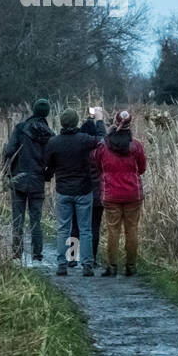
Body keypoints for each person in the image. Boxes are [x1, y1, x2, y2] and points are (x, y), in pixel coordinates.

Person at [43, 107, 106, 276]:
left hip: (63, 190)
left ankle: (62, 264)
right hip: (83, 190)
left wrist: (48, 175)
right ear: (76, 122)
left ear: (62, 123)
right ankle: (87, 265)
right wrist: (99, 120)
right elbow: (102, 140)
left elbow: (47, 164)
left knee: (63, 228)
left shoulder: (54, 142)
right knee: (86, 229)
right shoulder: (84, 140)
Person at [93, 109, 147, 276]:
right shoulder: (136, 145)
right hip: (132, 193)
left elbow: (97, 165)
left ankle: (112, 266)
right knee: (132, 230)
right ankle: (130, 267)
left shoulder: (103, 145)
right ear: (130, 125)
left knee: (113, 230)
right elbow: (142, 168)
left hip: (111, 195)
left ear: (115, 123)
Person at [3, 99, 54, 262]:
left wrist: (6, 172)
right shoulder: (50, 135)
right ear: (47, 113)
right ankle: (37, 254)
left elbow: (10, 151)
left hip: (19, 179)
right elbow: (53, 160)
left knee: (17, 218)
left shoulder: (20, 129)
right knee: (36, 220)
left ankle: (17, 253)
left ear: (33, 110)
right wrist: (47, 175)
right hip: (37, 181)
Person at [69, 113, 105, 266]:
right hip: (97, 193)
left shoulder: (78, 149)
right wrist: (100, 120)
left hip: (79, 190)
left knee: (75, 226)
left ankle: (71, 257)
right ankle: (92, 259)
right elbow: (104, 138)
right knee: (94, 227)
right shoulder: (102, 151)